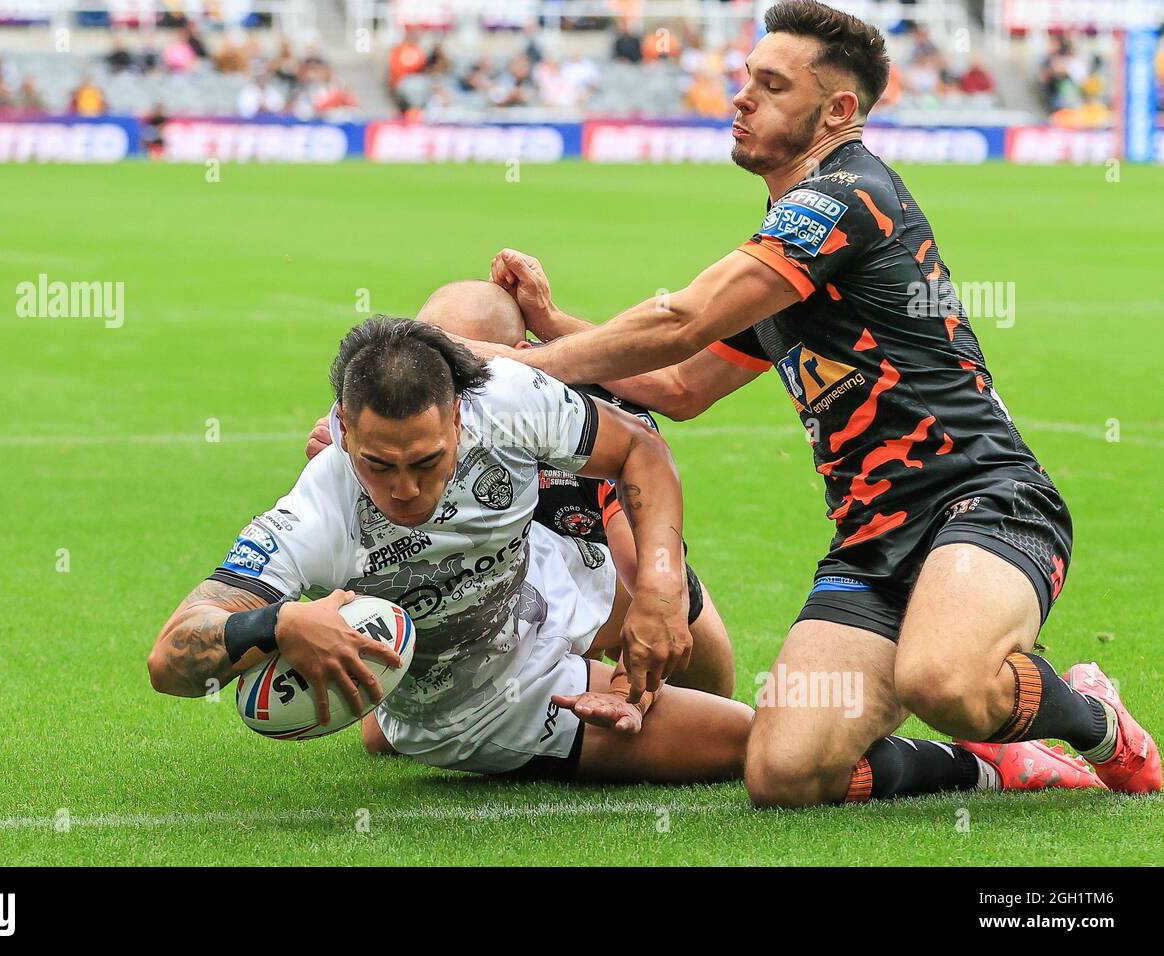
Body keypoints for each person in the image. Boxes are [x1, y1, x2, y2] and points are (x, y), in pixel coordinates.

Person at [467, 0, 1156, 803]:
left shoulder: (844, 200)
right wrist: (554, 327)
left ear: (838, 110)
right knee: (785, 773)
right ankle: (995, 765)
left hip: (984, 503)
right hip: (872, 538)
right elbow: (682, 387)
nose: (741, 97)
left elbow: (679, 320)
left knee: (942, 678)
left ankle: (1094, 721)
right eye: (744, 79)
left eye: (770, 84)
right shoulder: (789, 235)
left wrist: (516, 363)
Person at [149, 317, 755, 783]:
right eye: (378, 464)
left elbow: (640, 449)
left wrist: (659, 586)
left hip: (548, 576)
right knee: (754, 744)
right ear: (343, 427)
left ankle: (395, 702)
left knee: (707, 664)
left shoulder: (507, 401)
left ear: (460, 418)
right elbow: (170, 658)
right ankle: (409, 718)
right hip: (488, 699)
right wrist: (281, 621)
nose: (405, 489)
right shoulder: (316, 512)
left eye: (426, 461)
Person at [305, 280, 739, 703]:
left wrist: (630, 692)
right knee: (383, 731)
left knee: (709, 694)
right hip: (501, 591)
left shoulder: (577, 422)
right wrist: (357, 475)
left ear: (524, 362)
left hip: (607, 581)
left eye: (469, 368)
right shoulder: (409, 431)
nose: (446, 389)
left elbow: (641, 572)